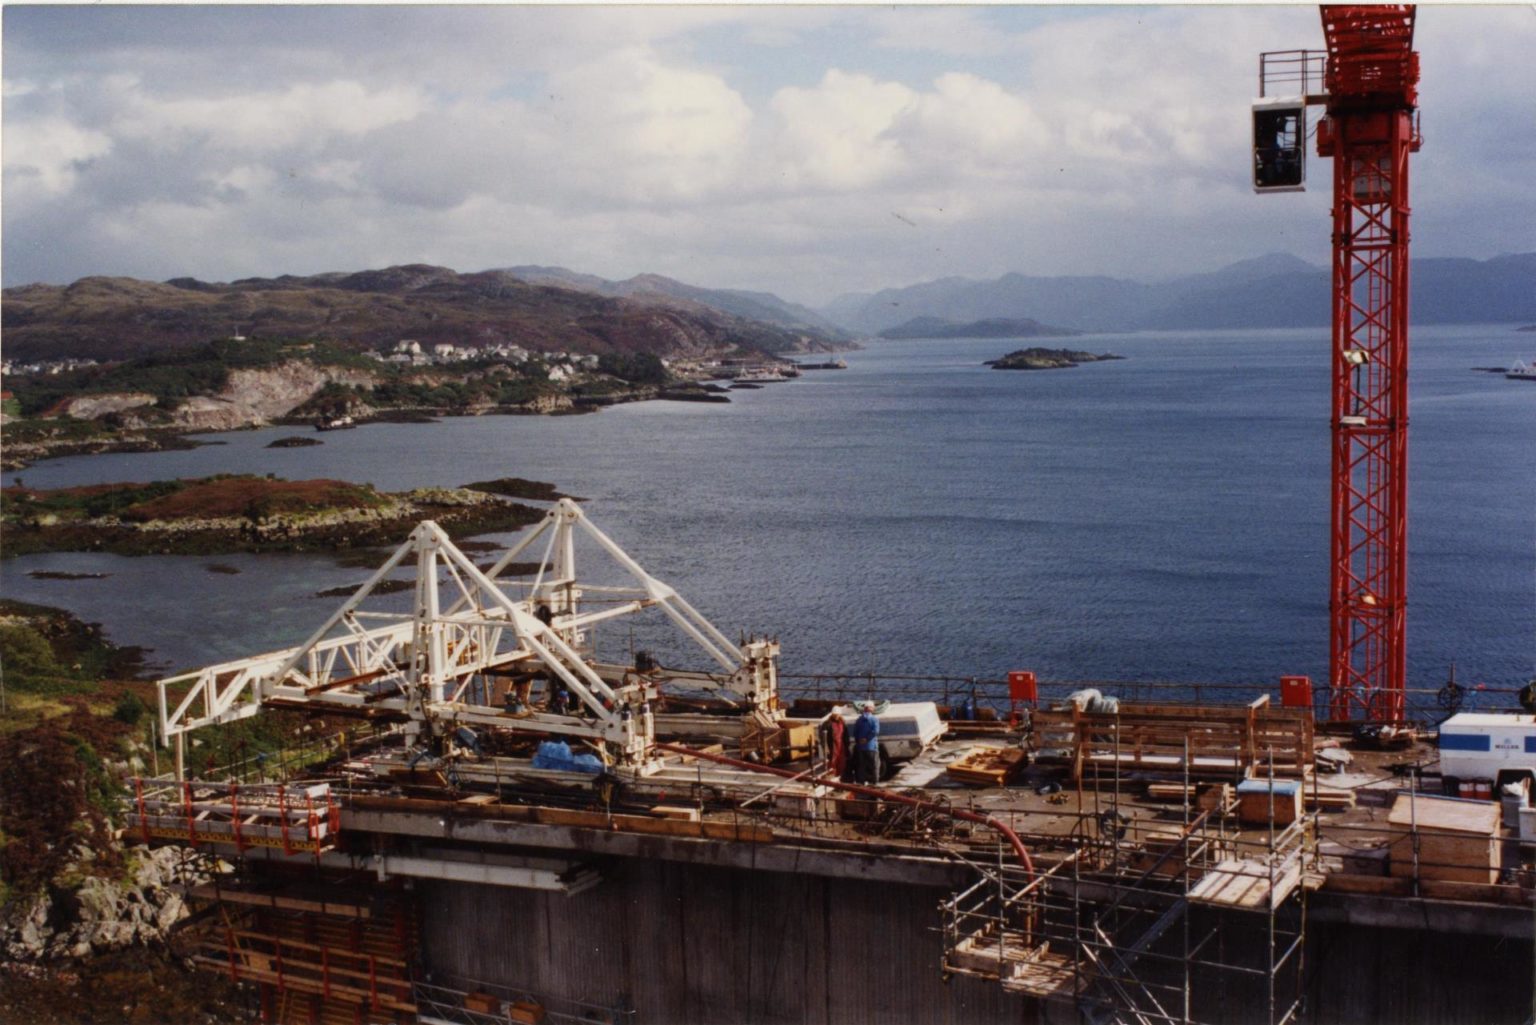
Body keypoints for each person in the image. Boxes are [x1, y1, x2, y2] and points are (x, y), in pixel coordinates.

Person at [851, 701, 880, 784]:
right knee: (874, 766)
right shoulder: (874, 719)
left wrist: (859, 741)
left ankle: (861, 783)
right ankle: (875, 783)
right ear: (871, 709)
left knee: (861, 766)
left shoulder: (859, 720)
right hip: (871, 747)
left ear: (864, 709)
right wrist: (867, 739)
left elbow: (855, 733)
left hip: (861, 747)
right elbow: (875, 731)